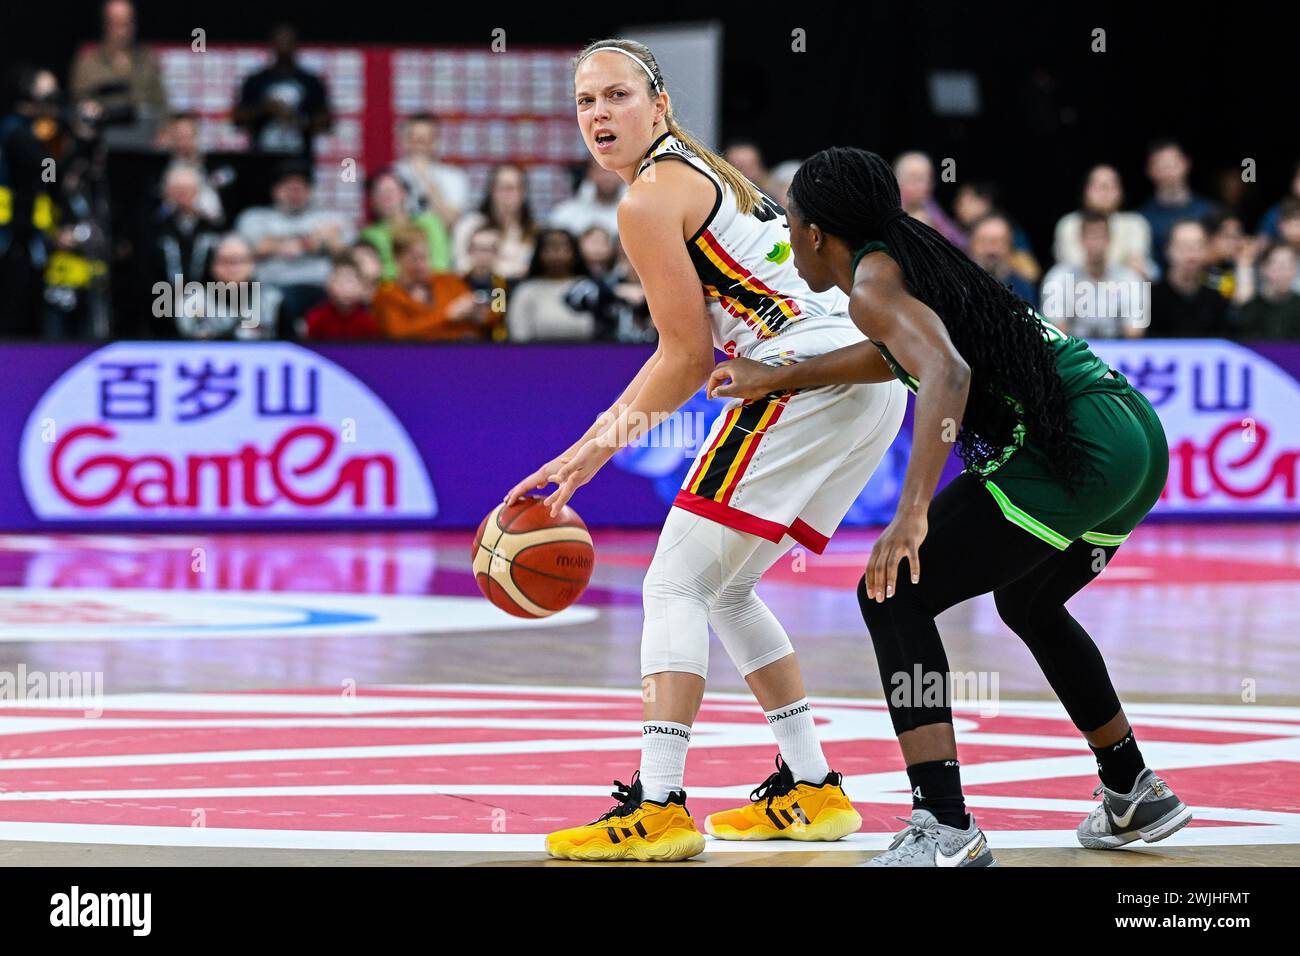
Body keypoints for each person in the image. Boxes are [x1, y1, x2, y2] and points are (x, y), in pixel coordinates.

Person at [710, 146, 1191, 867]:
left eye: (792, 224)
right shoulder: (898, 258)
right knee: (1028, 604)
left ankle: (943, 823)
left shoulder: (874, 285)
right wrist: (784, 373)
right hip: (1130, 436)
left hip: (1073, 448)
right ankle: (1132, 789)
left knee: (893, 594)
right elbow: (901, 353)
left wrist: (913, 513)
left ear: (816, 233)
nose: (786, 240)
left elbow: (945, 371)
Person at [510, 39, 907, 863]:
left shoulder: (650, 196)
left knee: (673, 581)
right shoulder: (708, 170)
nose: (598, 116)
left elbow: (684, 358)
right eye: (585, 103)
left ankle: (657, 803)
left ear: (658, 105)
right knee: (725, 589)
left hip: (808, 371)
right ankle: (812, 786)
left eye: (616, 97)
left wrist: (584, 457)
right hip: (869, 376)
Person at [234, 160, 354, 326]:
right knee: (273, 303)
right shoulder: (255, 218)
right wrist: (313, 241)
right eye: (288, 187)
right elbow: (251, 249)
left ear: (311, 190)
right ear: (275, 190)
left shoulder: (333, 218)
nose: (294, 193)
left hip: (325, 289)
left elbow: (349, 256)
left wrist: (280, 244)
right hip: (274, 288)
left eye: (300, 187)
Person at [68, 0, 168, 146]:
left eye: (127, 24)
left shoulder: (146, 60)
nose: (122, 31)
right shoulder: (88, 63)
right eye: (116, 24)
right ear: (105, 24)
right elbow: (76, 107)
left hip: (146, 143)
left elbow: (162, 105)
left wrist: (164, 131)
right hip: (103, 143)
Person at [233, 24, 332, 163]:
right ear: (272, 45)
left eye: (288, 42)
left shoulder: (310, 82)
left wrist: (298, 118)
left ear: (296, 45)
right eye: (280, 41)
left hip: (299, 159)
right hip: (262, 158)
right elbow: (238, 118)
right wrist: (265, 109)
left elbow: (326, 121)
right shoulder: (256, 81)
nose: (284, 46)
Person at [1040, 212, 1147, 338]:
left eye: (1100, 236)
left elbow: (1134, 332)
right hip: (1073, 352)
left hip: (1116, 351)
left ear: (1110, 239)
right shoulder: (1058, 277)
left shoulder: (1130, 279)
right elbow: (1055, 332)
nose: (1095, 243)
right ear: (1080, 239)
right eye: (1090, 236)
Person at [371, 224, 482, 340]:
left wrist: (480, 313)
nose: (423, 264)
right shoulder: (386, 295)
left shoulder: (448, 281)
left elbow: (492, 315)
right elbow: (399, 334)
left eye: (425, 256)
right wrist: (447, 316)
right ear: (397, 259)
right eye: (415, 259)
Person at [1052, 164, 1153, 278]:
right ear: (1086, 190)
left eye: (1111, 185)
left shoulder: (1135, 224)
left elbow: (1136, 268)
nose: (1104, 190)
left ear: (1120, 191)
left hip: (1122, 292)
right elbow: (1074, 266)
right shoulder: (1069, 224)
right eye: (1098, 186)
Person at [359, 169, 452, 279]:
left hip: (435, 287)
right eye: (380, 193)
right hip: (393, 292)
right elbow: (383, 272)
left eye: (390, 191)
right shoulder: (370, 235)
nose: (386, 197)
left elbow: (440, 263)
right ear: (373, 200)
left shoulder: (430, 223)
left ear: (403, 193)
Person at [1138, 141, 1216, 273]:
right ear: (1150, 170)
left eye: (1173, 164)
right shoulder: (1141, 219)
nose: (1169, 171)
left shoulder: (1210, 211)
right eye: (1161, 166)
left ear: (1186, 163)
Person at [450, 163, 537, 280]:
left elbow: (532, 271)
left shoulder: (534, 231)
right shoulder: (469, 225)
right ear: (491, 191)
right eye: (503, 188)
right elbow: (461, 266)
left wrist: (487, 264)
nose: (509, 195)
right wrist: (511, 269)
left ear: (524, 193)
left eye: (514, 188)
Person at [505, 228, 593, 341]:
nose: (556, 251)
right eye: (549, 247)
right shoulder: (525, 291)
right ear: (539, 253)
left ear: (575, 252)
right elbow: (519, 335)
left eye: (563, 246)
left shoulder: (589, 287)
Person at [1148, 219, 1233, 337]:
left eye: (1197, 246)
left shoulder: (1217, 299)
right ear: (1168, 250)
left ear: (1206, 250)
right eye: (1183, 246)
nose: (1190, 254)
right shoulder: (1149, 298)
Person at [392, 114, 470, 226]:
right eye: (415, 138)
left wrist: (426, 177)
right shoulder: (391, 174)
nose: (420, 145)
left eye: (426, 139)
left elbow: (451, 221)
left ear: (437, 141)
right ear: (404, 141)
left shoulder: (454, 176)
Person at [894, 151, 965, 249]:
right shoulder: (891, 207)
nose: (925, 186)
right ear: (898, 180)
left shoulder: (929, 204)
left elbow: (958, 240)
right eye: (916, 179)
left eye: (928, 178)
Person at [304, 252, 381, 339]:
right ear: (329, 284)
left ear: (362, 287)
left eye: (350, 281)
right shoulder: (316, 318)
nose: (344, 287)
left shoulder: (368, 320)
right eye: (339, 281)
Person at [966, 212, 1037, 304]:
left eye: (999, 242)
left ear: (1010, 247)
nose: (991, 250)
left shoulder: (1022, 288)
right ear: (972, 245)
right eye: (984, 242)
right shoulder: (955, 283)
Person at [548, 157, 625, 238]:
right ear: (589, 173)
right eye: (602, 171)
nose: (607, 178)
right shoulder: (564, 215)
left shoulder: (636, 213)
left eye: (613, 172)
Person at [1237, 242, 1300, 339]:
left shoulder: (1297, 306)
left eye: (1288, 265)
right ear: (1264, 267)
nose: (1283, 272)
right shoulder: (1252, 306)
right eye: (1278, 265)